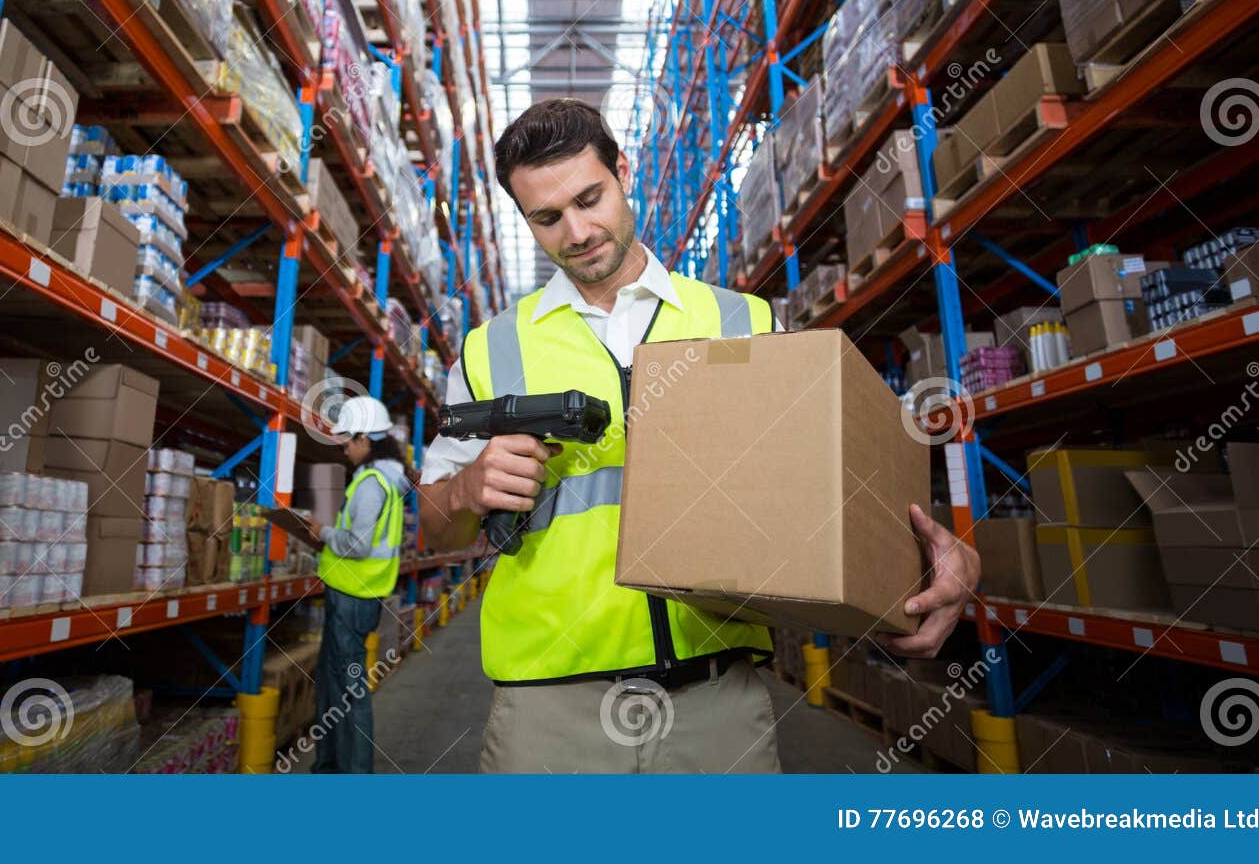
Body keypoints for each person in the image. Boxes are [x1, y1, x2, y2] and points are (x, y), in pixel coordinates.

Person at [417, 98, 980, 773]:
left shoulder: (742, 321)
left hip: (717, 704)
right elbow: (435, 529)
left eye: (590, 199)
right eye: (547, 217)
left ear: (624, 173)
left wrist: (933, 559)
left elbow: (836, 474)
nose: (577, 231)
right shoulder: (490, 349)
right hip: (547, 712)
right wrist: (466, 490)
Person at [296, 395, 411, 773]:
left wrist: (323, 532)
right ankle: (329, 764)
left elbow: (358, 545)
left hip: (353, 596)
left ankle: (356, 773)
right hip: (355, 594)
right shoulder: (385, 478)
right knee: (332, 682)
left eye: (348, 441)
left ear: (365, 438)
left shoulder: (372, 483)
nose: (344, 449)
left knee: (350, 690)